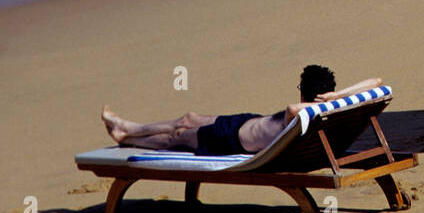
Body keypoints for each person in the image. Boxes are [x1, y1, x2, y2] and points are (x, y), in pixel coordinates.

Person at [101, 66, 383, 156]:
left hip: (234, 139)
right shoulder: (336, 106)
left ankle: (127, 137)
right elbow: (377, 83)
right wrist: (338, 95)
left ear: (302, 90)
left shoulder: (303, 111)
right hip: (248, 122)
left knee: (180, 135)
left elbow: (292, 107)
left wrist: (323, 100)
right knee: (188, 118)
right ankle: (127, 126)